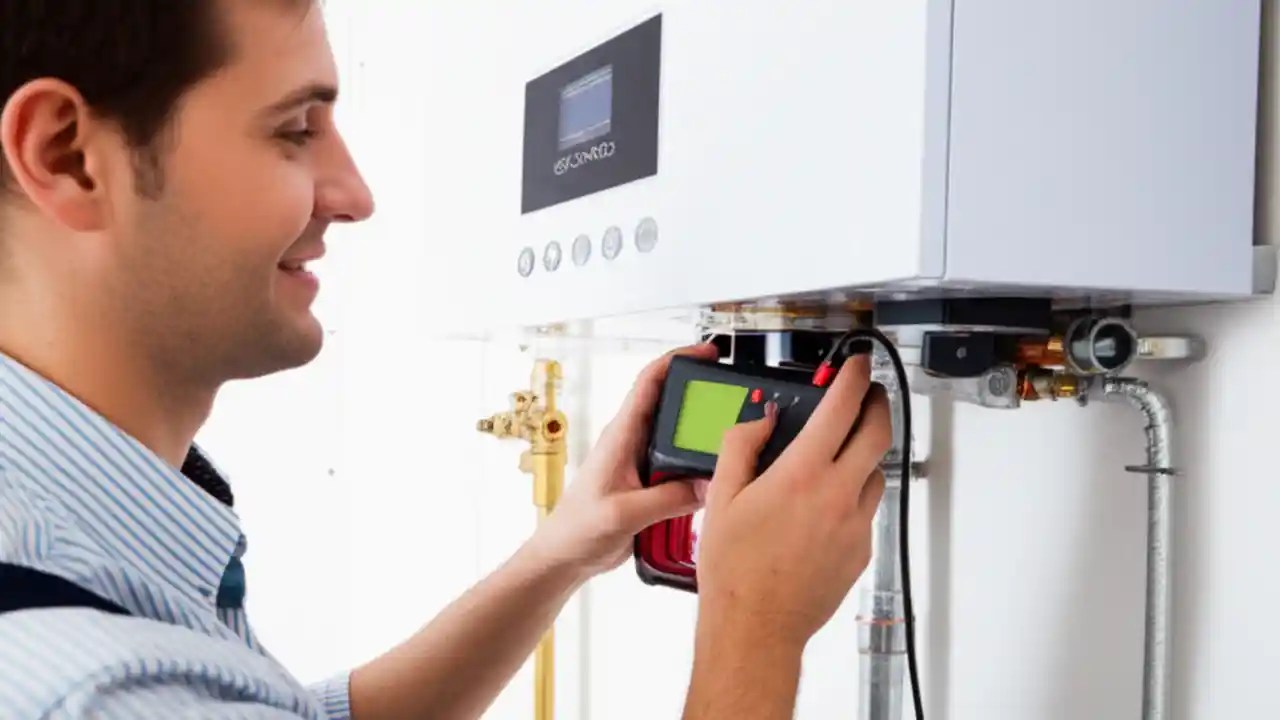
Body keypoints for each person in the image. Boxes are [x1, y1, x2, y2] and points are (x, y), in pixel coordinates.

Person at [0, 2, 891, 718]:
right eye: (294, 129)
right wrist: (756, 630)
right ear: (67, 156)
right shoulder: (85, 680)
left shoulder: (64, 538)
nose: (356, 196)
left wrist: (561, 555)